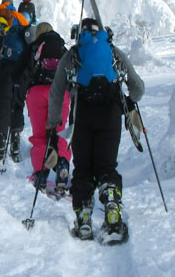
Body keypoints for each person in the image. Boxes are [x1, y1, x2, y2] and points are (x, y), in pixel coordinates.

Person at [46, 17, 144, 244]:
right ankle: (111, 205)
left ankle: (83, 218)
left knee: (82, 169)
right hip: (110, 114)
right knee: (106, 165)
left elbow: (56, 92)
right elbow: (138, 87)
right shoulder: (112, 51)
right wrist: (128, 103)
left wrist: (53, 125)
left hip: (81, 116)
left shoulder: (72, 55)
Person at [17, 22, 71, 194]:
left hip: (37, 93)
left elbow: (21, 72)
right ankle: (62, 166)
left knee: (40, 135)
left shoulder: (34, 47)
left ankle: (40, 174)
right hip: (60, 92)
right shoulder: (62, 47)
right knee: (60, 132)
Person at [0, 0, 34, 165]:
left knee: (2, 103)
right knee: (18, 104)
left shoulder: (11, 27)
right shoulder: (31, 30)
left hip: (6, 68)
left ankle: (0, 143)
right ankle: (15, 142)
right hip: (23, 71)